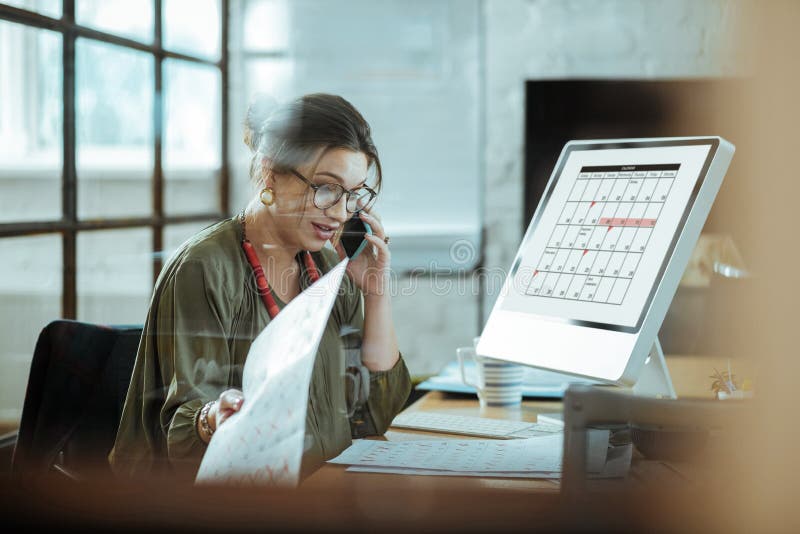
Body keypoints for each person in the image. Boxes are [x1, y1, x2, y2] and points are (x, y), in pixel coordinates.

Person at [109, 93, 412, 481]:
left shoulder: (326, 264)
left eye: (353, 195)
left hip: (318, 497)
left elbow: (373, 415)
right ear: (270, 174)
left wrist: (376, 291)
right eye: (326, 188)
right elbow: (181, 440)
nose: (339, 212)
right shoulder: (204, 268)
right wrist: (212, 418)